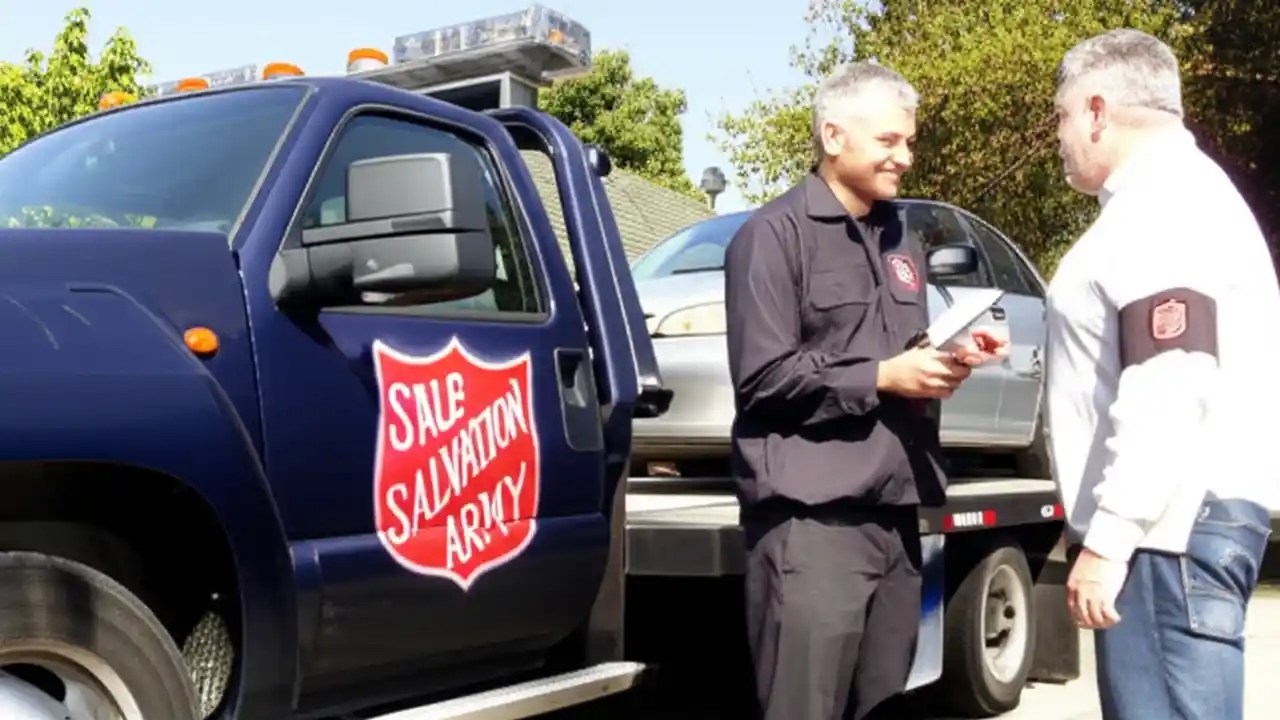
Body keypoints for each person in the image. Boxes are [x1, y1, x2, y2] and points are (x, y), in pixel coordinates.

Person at [723, 61, 1002, 720]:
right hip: (813, 528)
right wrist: (881, 377)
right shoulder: (770, 237)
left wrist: (950, 360)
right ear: (833, 135)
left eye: (909, 141)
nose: (905, 157)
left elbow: (898, 354)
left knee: (886, 708)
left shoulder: (900, 234)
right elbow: (763, 379)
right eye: (889, 142)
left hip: (899, 520)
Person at [1046, 28, 1280, 720]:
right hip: (1180, 525)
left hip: (1166, 533)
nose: (1058, 136)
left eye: (1059, 117)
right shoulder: (1185, 194)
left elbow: (1171, 376)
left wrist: (1111, 535)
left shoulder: (1159, 203)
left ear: (1096, 110)